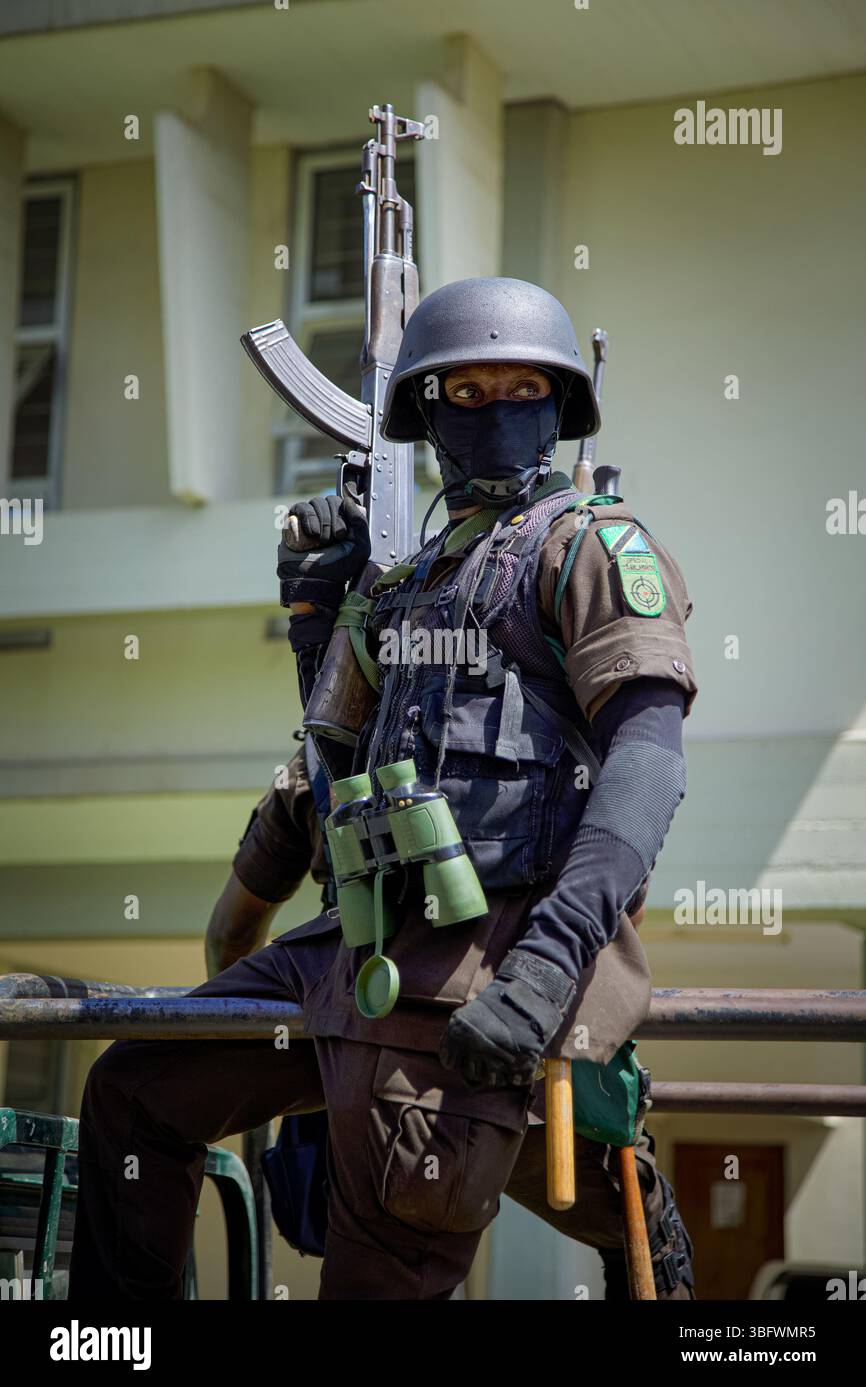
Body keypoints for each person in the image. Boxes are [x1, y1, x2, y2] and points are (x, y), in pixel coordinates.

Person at [69, 278, 696, 1300]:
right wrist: (322, 616)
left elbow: (646, 759)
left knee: (390, 1238)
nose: (492, 406)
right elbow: (338, 767)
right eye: (464, 390)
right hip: (351, 943)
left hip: (486, 945)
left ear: (559, 404)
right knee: (133, 1088)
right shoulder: (406, 579)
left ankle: (641, 1233)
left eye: (519, 386)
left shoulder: (590, 544)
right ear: (427, 415)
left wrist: (543, 968)